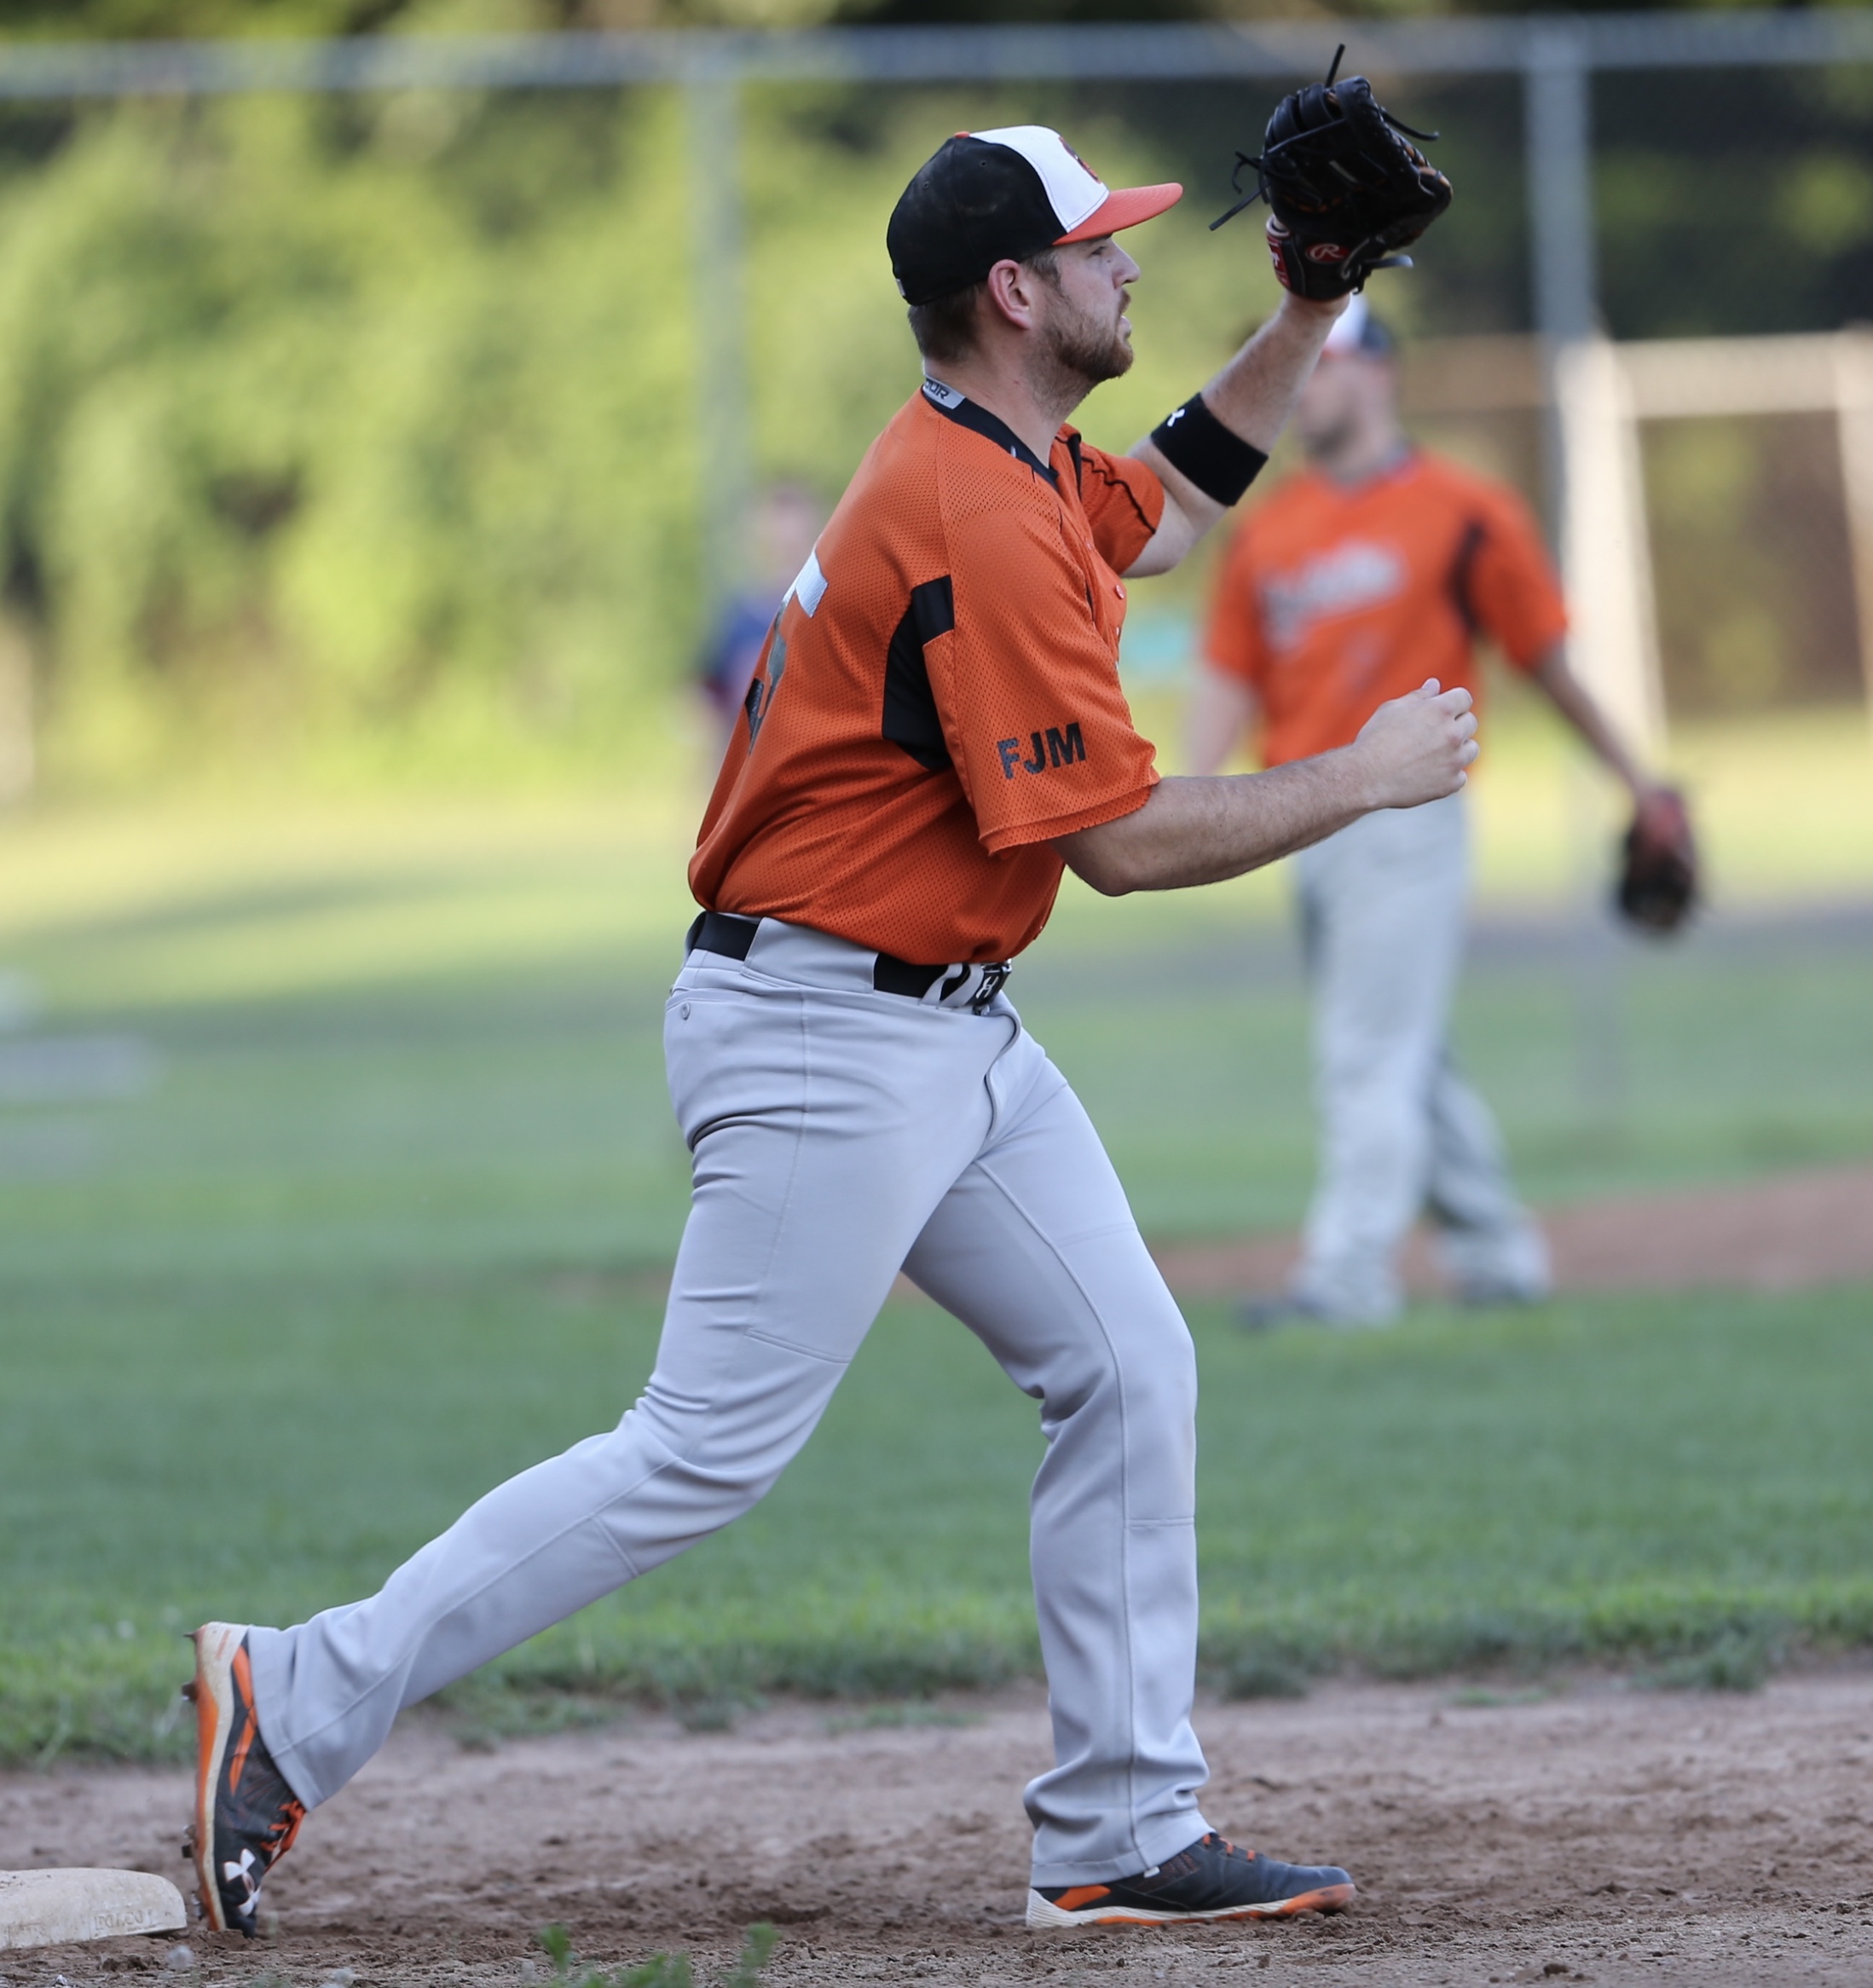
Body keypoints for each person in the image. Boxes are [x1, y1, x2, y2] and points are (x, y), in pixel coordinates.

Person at [184, 125, 1479, 1941]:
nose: (1128, 266)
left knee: (1126, 1364)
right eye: (1095, 249)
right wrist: (1357, 775)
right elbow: (1104, 842)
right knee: (698, 1449)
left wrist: (1311, 306)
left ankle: (1116, 1827)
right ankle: (295, 1690)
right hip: (822, 1029)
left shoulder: (1004, 460)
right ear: (1012, 293)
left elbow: (1173, 508)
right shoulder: (967, 510)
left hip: (937, 1026)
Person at [1188, 298, 1662, 1327]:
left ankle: (1348, 1278)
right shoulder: (1266, 534)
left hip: (1409, 816)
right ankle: (1497, 1251)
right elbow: (1227, 677)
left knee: (1365, 1049)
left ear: (1382, 374)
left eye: (1328, 361)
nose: (1308, 382)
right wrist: (1178, 794)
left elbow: (1547, 662)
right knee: (1402, 1046)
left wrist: (1637, 780)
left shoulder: (1463, 509)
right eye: (1300, 365)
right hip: (1301, 814)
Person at [697, 482, 826, 731]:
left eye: (793, 546)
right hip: (749, 762)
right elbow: (707, 701)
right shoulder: (736, 620)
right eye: (777, 546)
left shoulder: (826, 615)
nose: (785, 556)